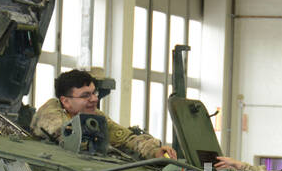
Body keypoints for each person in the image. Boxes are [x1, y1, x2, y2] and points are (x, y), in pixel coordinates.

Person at [31, 68, 176, 159]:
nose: (94, 99)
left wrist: (154, 151)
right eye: (85, 95)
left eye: (94, 93)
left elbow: (126, 138)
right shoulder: (51, 111)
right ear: (66, 101)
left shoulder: (95, 117)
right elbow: (66, 136)